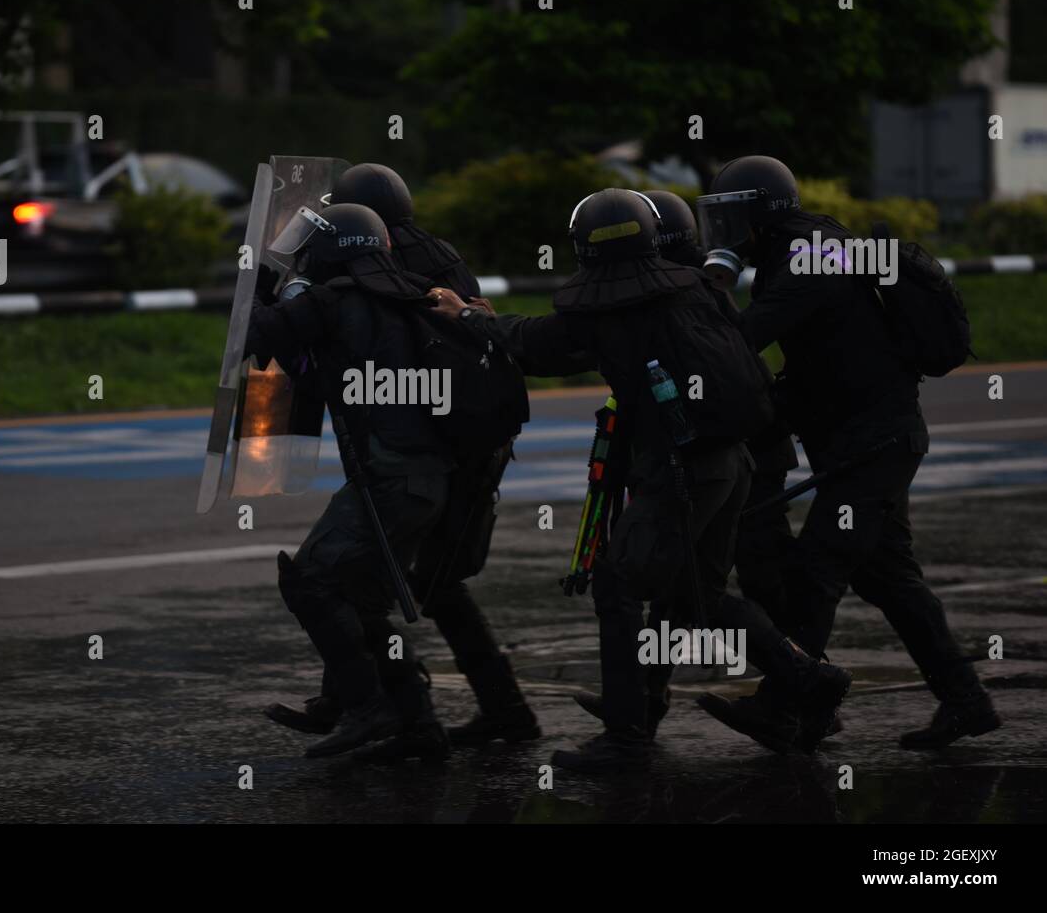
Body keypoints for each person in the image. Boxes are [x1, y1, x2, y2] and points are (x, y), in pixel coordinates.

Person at [429, 188, 852, 772]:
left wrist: (470, 317)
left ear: (583, 245)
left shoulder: (609, 305)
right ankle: (808, 676)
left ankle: (627, 739)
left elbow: (536, 345)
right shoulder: (695, 286)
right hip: (733, 463)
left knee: (618, 588)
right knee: (698, 597)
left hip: (679, 473)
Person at [693, 155, 1000, 750]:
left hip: (874, 445)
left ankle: (786, 708)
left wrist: (712, 282)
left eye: (729, 221)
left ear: (757, 215)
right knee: (889, 579)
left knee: (817, 572)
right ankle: (966, 702)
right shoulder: (810, 245)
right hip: (866, 441)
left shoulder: (808, 259)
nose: (723, 235)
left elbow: (740, 341)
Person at [265, 163, 540, 747]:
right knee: (375, 580)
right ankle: (385, 712)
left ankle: (473, 711)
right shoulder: (435, 255)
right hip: (459, 443)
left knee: (414, 582)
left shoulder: (377, 272)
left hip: (437, 450)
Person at [245, 201, 453, 761]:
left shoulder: (335, 301)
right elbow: (319, 372)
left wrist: (265, 275)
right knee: (363, 602)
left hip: (387, 481)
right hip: (429, 483)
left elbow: (252, 330)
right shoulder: (413, 296)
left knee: (309, 582)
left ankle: (368, 709)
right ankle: (419, 726)